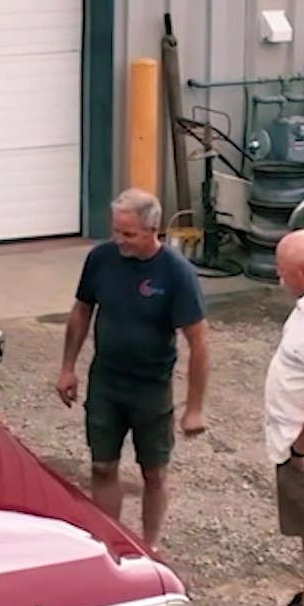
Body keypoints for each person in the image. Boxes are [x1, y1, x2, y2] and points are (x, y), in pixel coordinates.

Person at [56, 189, 208, 554]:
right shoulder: (101, 259)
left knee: (153, 472)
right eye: (116, 232)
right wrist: (67, 368)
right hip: (106, 381)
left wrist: (195, 407)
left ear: (152, 229)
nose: (119, 240)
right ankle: (111, 541)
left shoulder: (176, 273)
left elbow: (199, 342)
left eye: (128, 234)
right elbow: (81, 311)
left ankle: (149, 547)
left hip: (151, 389)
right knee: (103, 466)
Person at [258, 229, 304, 606]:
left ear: (302, 271)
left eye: (281, 269)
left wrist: (301, 448)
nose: (276, 276)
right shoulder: (303, 309)